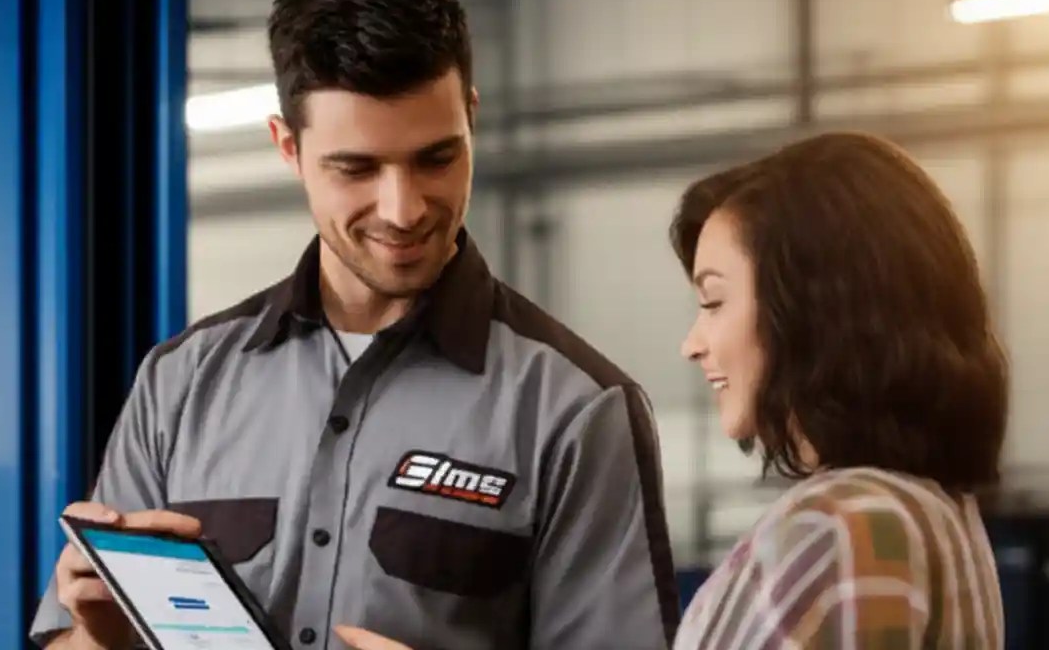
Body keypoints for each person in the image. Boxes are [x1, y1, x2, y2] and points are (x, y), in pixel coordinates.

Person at [30, 0, 680, 650]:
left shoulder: (579, 410)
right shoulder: (180, 384)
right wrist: (99, 637)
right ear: (288, 147)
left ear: (472, 120)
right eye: (357, 168)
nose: (403, 209)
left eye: (436, 159)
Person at [339, 132, 1009, 649]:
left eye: (714, 302)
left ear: (814, 310)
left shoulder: (839, 526)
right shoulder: (940, 516)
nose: (693, 342)